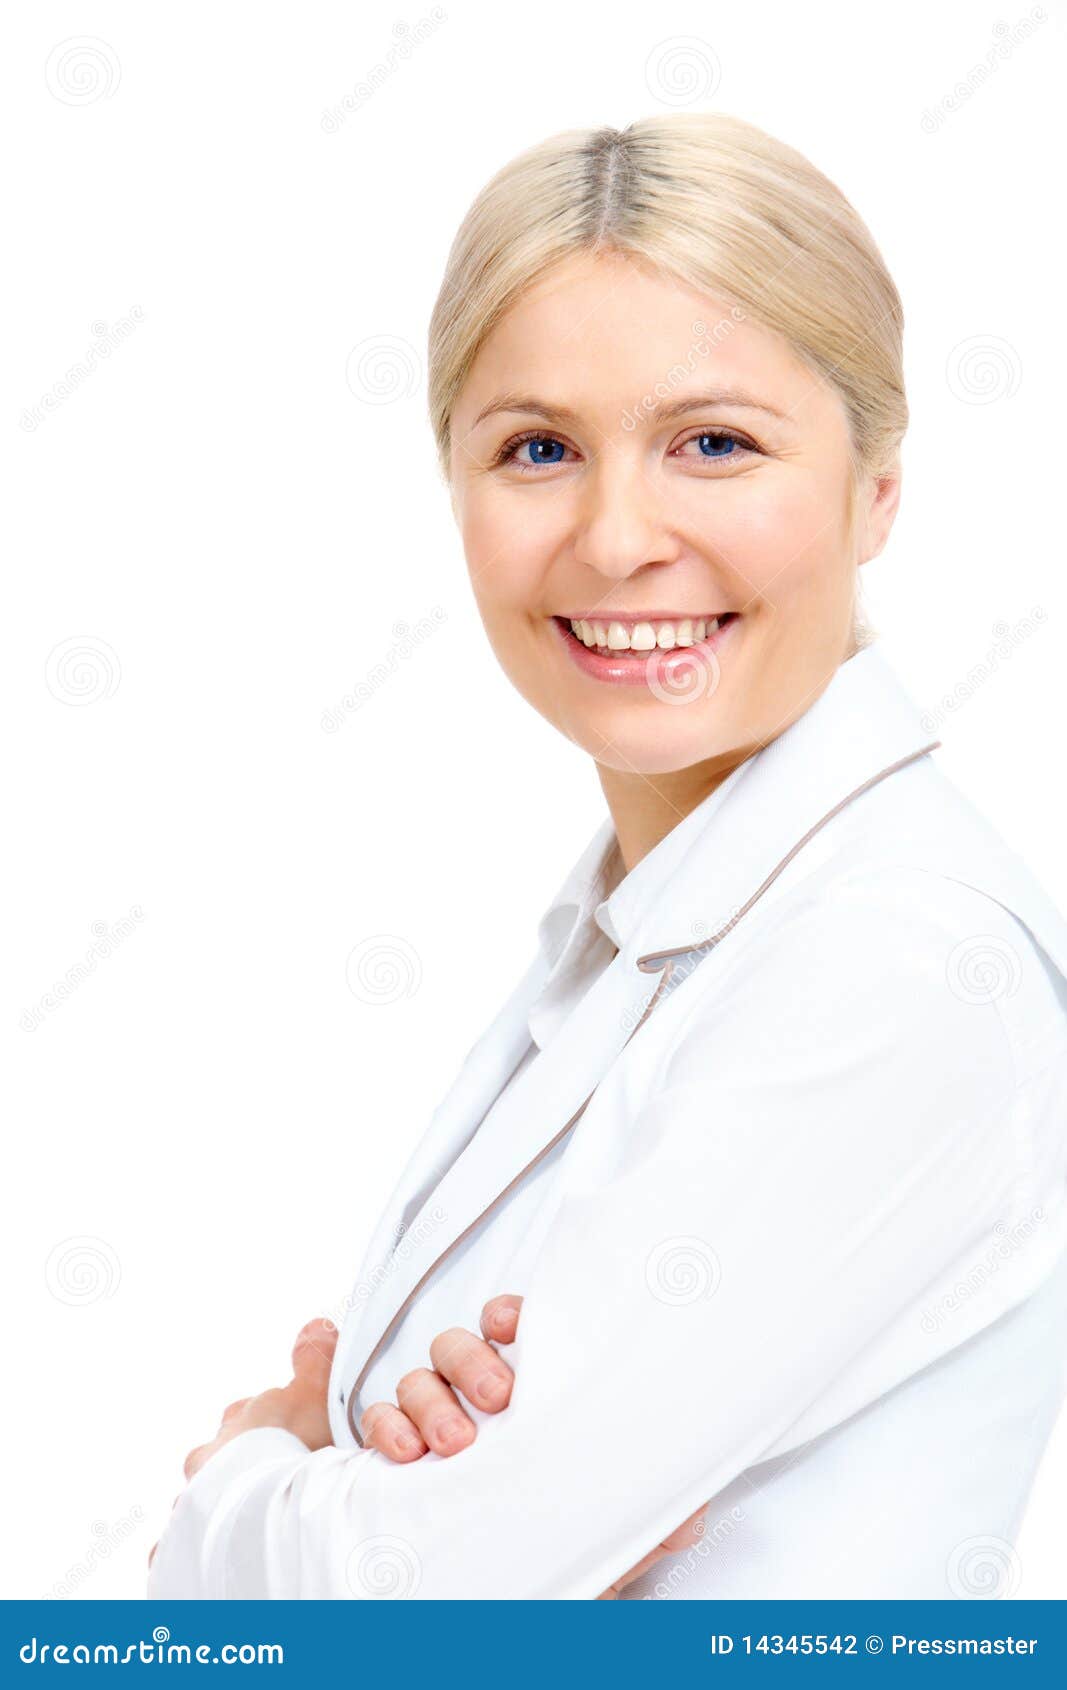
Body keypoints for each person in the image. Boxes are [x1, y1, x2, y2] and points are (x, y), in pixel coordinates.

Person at [148, 113, 1067, 1600]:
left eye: (715, 443)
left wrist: (244, 1479)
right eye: (538, 449)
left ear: (878, 490)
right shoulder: (638, 922)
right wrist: (386, 1464)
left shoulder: (895, 955)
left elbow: (404, 1601)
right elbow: (440, 1559)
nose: (618, 537)